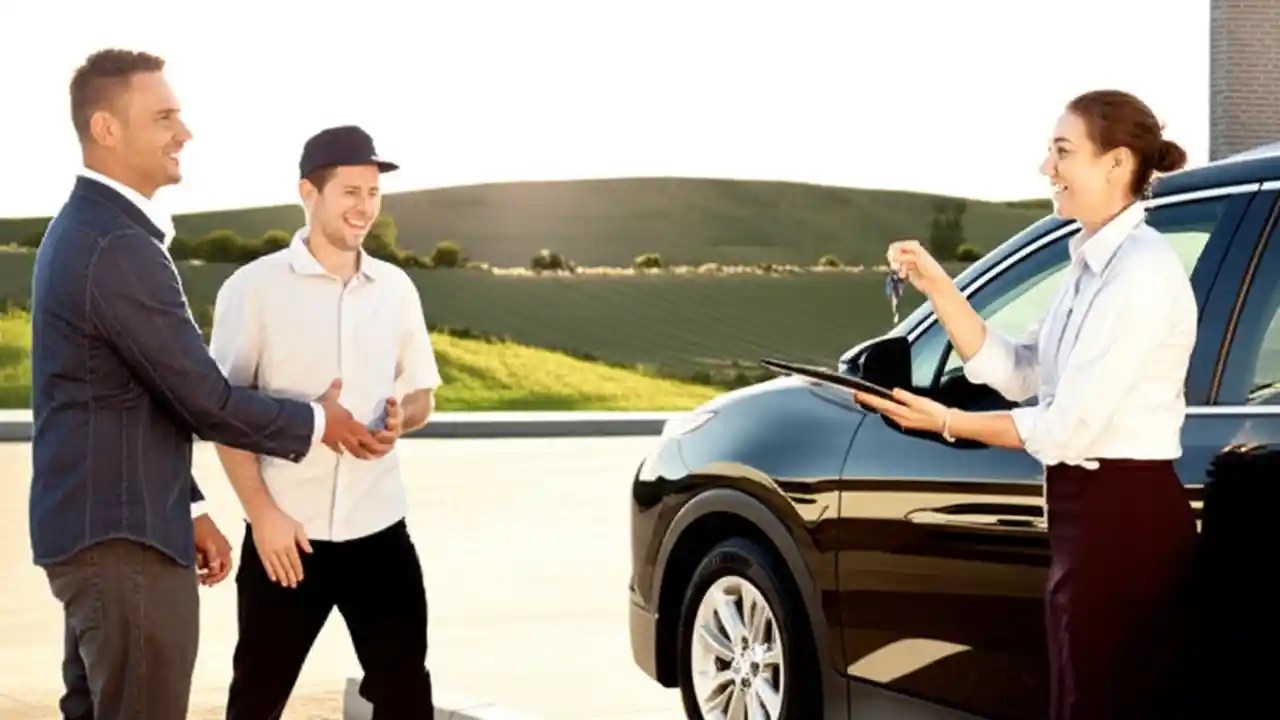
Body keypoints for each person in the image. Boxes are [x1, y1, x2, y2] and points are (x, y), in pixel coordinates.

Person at [30, 49, 390, 720]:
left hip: (110, 530)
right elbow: (203, 398)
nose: (184, 133)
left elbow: (129, 395)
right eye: (164, 117)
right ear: (106, 129)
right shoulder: (116, 245)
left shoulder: (87, 231)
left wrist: (188, 507)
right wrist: (320, 421)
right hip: (125, 543)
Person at [853, 89, 1198, 719]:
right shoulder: (1090, 268)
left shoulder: (1141, 275)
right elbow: (1020, 372)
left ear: (1116, 163)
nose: (1047, 168)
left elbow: (1068, 426)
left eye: (1063, 151)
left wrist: (948, 422)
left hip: (1124, 524)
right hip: (1088, 524)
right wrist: (939, 287)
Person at [211, 125, 441, 719]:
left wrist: (400, 420)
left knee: (406, 696)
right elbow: (223, 413)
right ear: (308, 193)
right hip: (288, 536)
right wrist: (263, 517)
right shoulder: (253, 289)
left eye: (374, 193)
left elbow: (422, 394)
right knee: (256, 700)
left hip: (380, 529)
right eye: (350, 192)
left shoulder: (395, 289)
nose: (365, 207)